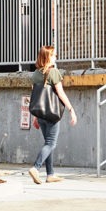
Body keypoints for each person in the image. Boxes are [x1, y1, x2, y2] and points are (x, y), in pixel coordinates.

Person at [28, 44, 76, 184]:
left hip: (41, 114)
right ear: (48, 57)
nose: (56, 57)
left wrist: (36, 117)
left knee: (47, 143)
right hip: (52, 114)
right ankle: (36, 168)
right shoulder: (53, 72)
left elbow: (36, 96)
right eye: (54, 55)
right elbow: (60, 93)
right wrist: (71, 110)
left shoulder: (36, 73)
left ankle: (50, 174)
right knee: (51, 143)